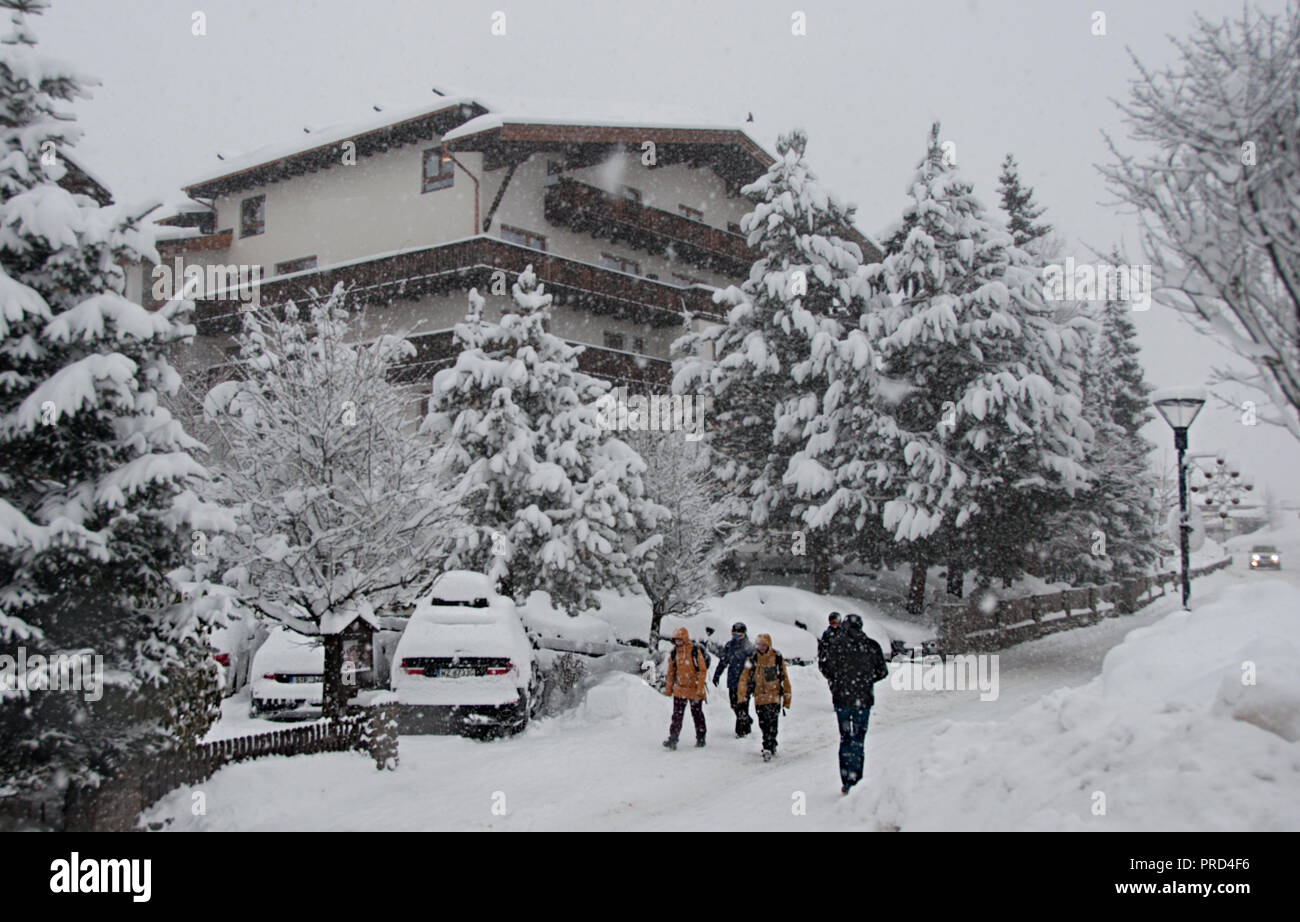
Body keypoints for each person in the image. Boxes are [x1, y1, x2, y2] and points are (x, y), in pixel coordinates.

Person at [820, 613, 889, 794]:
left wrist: (837, 681)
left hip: (842, 698)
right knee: (858, 740)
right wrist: (866, 680)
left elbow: (825, 667)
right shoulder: (871, 646)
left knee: (845, 738)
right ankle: (856, 778)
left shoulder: (836, 646)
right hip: (863, 699)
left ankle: (847, 779)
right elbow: (882, 671)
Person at [736, 633, 791, 761]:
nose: (761, 647)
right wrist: (741, 695)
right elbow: (744, 677)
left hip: (774, 696)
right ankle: (769, 743)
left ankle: (768, 745)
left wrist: (787, 698)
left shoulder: (776, 657)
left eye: (764, 645)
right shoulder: (752, 659)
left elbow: (784, 677)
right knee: (763, 723)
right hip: (759, 697)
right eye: (759, 644)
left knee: (772, 722)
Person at [662, 626, 708, 749]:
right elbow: (671, 672)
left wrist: (699, 688)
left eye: (680, 640)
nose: (678, 642)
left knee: (697, 715)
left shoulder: (694, 651)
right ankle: (673, 738)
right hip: (680, 688)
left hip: (694, 689)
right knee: (677, 715)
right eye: (676, 640)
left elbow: (702, 670)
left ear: (685, 639)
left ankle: (701, 737)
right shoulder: (674, 653)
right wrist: (668, 689)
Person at [713, 621, 756, 737]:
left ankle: (741, 730)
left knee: (742, 705)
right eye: (734, 635)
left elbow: (755, 667)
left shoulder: (750, 648)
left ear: (744, 635)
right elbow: (723, 661)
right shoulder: (729, 646)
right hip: (732, 680)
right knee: (734, 705)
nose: (736, 638)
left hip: (745, 682)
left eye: (738, 635)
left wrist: (753, 683)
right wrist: (717, 674)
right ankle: (746, 720)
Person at [817, 612, 842, 677]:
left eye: (835, 621)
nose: (834, 624)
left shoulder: (844, 633)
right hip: (830, 664)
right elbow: (821, 648)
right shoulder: (827, 633)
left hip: (841, 664)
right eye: (831, 622)